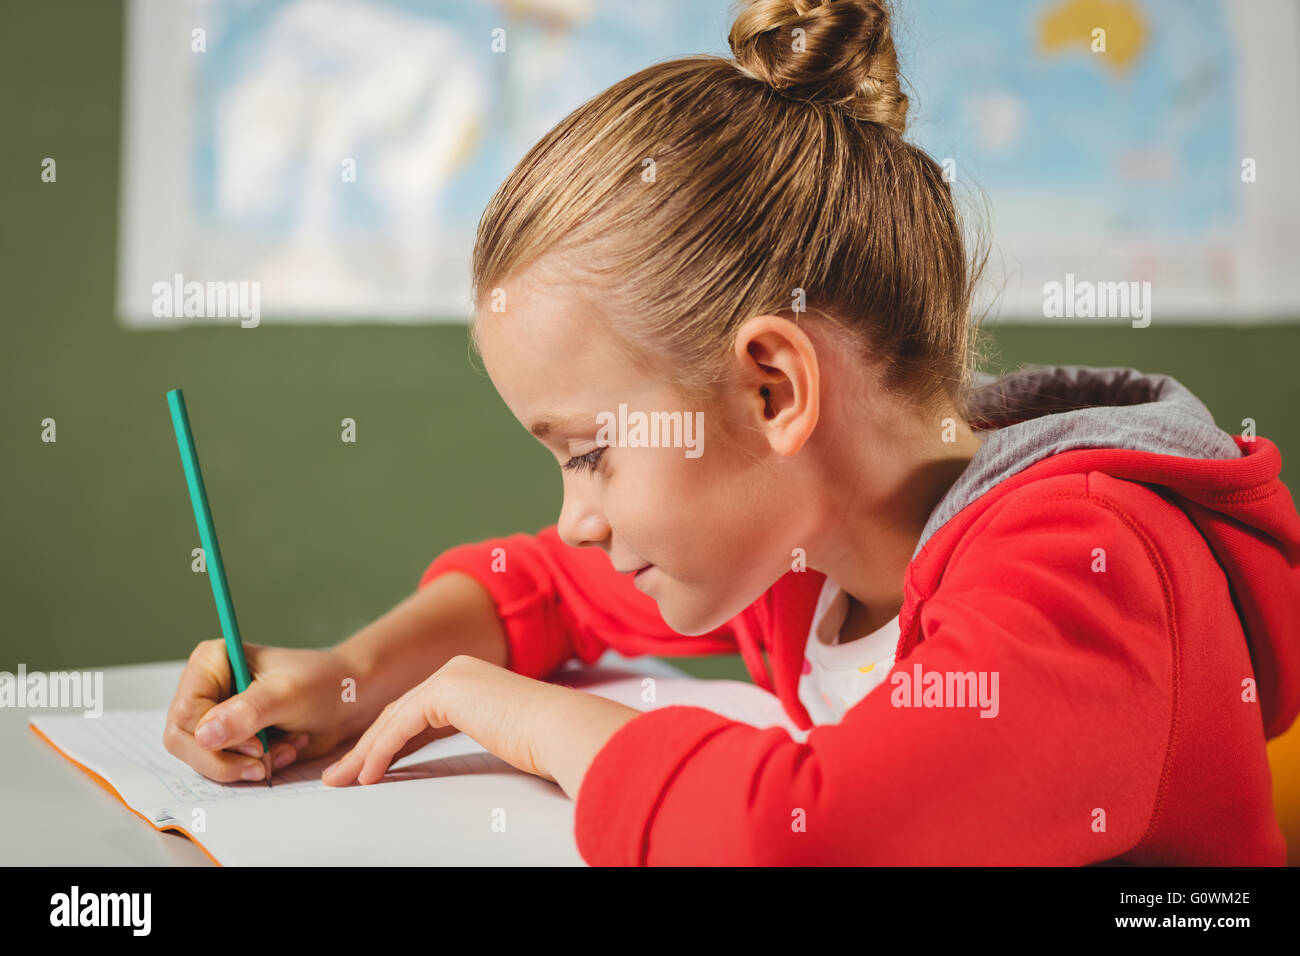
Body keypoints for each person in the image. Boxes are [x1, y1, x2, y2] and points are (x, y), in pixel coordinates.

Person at [163, 0, 1300, 865]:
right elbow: (544, 586)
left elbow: (801, 833)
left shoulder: (1083, 569)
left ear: (770, 390)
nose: (580, 515)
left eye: (590, 452)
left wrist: (527, 718)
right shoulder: (799, 552)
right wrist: (355, 673)